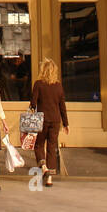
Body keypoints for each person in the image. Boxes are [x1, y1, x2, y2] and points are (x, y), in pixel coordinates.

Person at [29, 58, 69, 187]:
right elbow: (62, 106)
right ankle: (50, 178)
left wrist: (31, 110)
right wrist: (66, 123)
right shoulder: (58, 86)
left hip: (41, 119)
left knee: (38, 144)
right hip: (55, 120)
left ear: (43, 70)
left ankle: (44, 166)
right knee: (52, 147)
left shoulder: (38, 84)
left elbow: (33, 103)